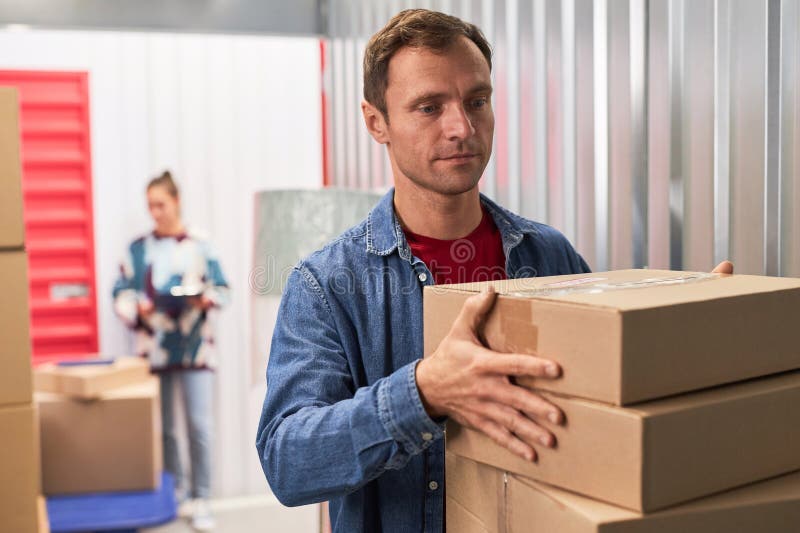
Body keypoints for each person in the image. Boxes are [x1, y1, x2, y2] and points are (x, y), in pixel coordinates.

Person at [256, 9, 733, 533]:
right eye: (429, 107)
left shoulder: (548, 255)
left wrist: (693, 333)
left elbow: (605, 396)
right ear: (377, 123)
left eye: (476, 101)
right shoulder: (326, 285)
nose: (461, 127)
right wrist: (424, 393)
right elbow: (286, 461)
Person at [113, 170, 229, 531]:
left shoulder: (201, 243)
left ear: (176, 201)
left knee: (199, 425)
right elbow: (121, 293)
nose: (155, 212)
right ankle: (175, 491)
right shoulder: (138, 248)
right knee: (164, 428)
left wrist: (201, 299)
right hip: (156, 349)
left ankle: (202, 498)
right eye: (150, 206)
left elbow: (223, 290)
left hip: (195, 349)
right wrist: (139, 308)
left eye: (160, 204)